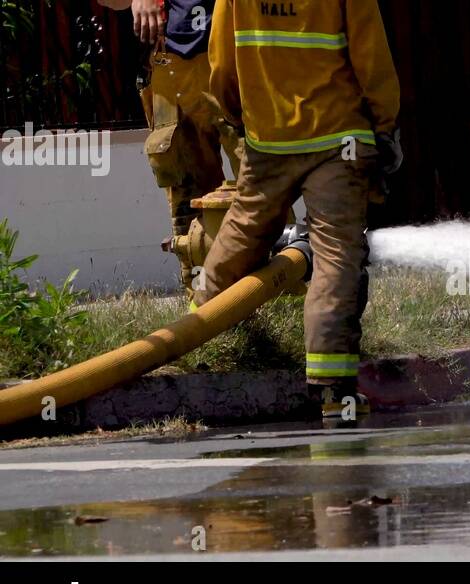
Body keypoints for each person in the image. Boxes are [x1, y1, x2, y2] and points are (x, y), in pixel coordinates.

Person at [192, 0, 403, 424]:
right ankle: (332, 390)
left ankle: (198, 338)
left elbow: (221, 64)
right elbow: (371, 57)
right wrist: (385, 126)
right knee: (336, 256)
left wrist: (242, 116)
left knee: (242, 234)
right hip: (337, 137)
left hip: (268, 138)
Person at [99, 0, 242, 296]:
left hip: (237, 51)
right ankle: (205, 308)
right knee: (190, 203)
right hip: (171, 63)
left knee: (262, 189)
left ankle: (280, 291)